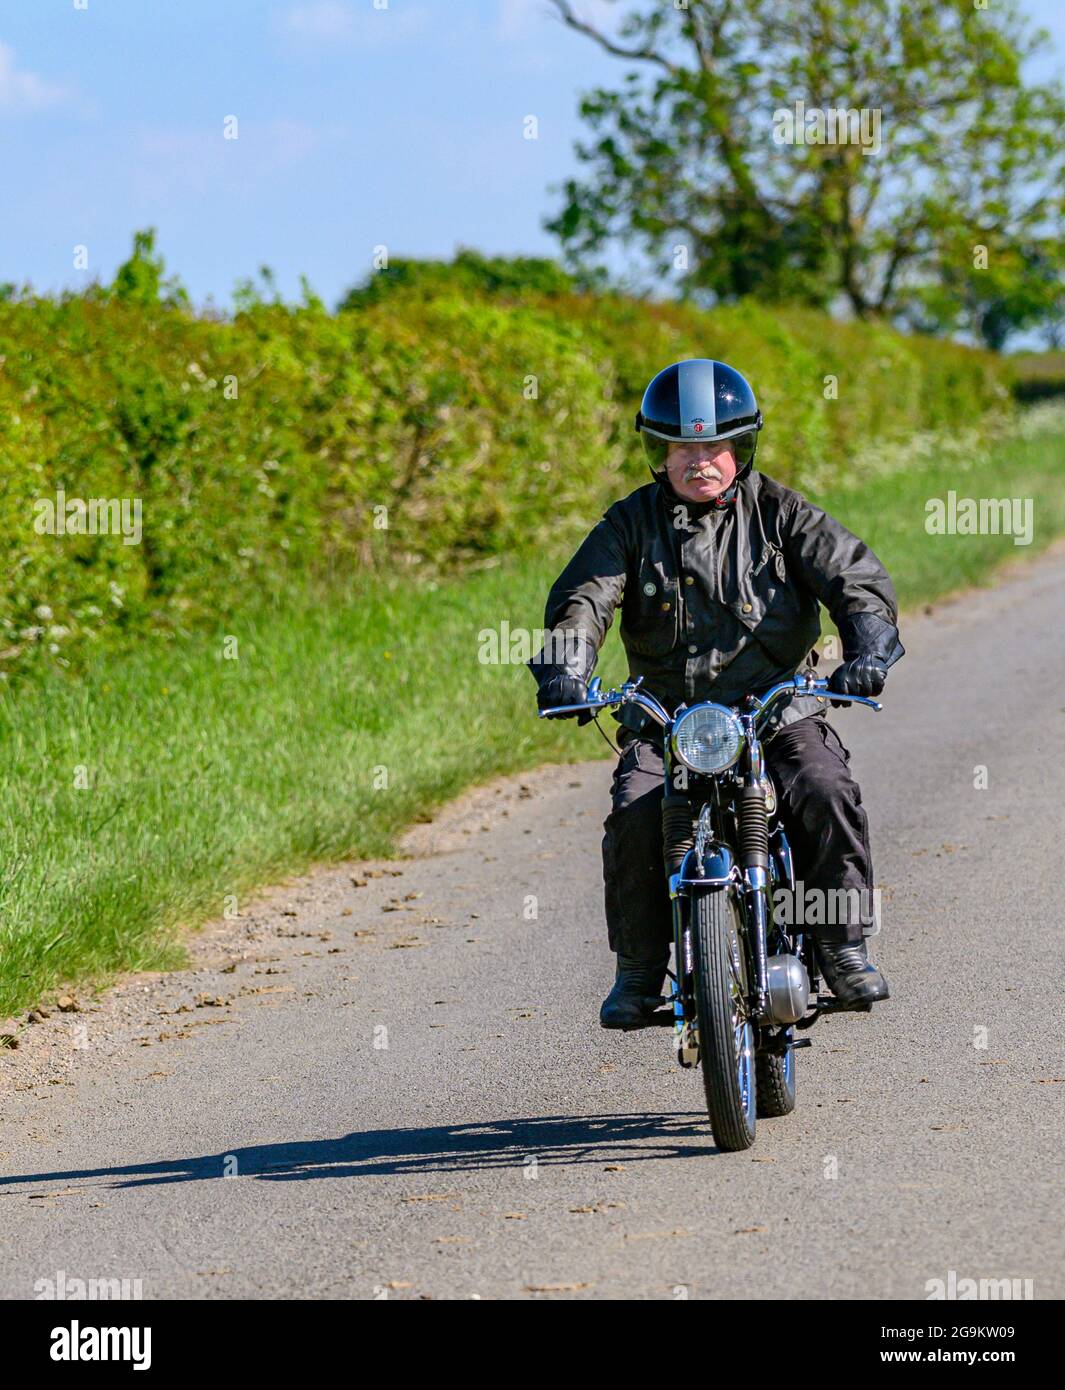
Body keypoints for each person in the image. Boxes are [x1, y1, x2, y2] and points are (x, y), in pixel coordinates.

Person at [529, 359, 904, 1030]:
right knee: (635, 813)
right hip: (668, 721)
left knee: (824, 788)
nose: (698, 461)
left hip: (775, 709)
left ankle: (840, 943)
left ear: (740, 448)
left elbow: (854, 577)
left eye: (712, 446)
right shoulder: (628, 526)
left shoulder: (782, 513)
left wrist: (868, 645)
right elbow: (580, 604)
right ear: (658, 452)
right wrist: (565, 669)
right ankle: (639, 969)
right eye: (681, 447)